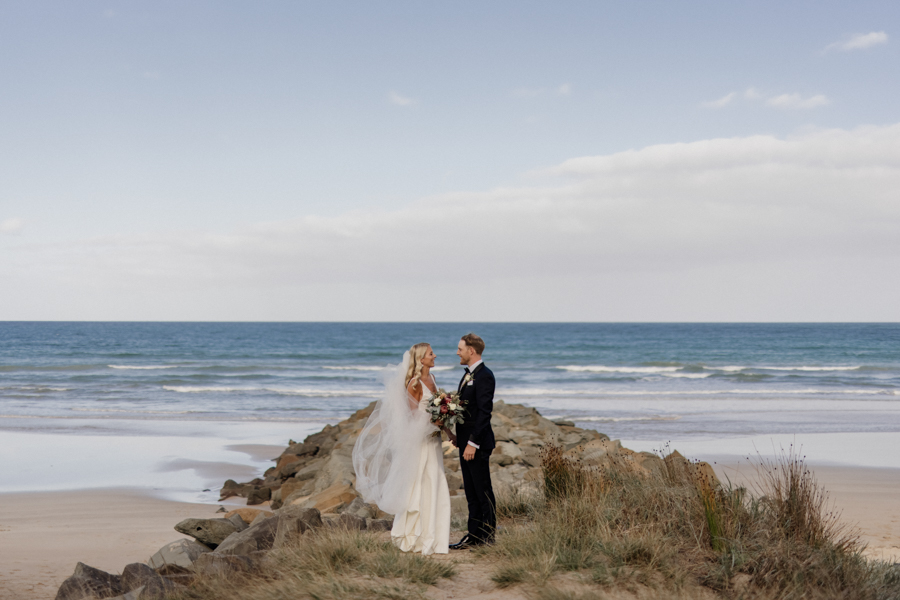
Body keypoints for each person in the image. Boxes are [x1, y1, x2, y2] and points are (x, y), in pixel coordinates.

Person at [352, 343, 451, 555]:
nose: (435, 356)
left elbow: (436, 408)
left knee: (435, 480)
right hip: (420, 441)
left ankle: (434, 538)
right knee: (422, 484)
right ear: (421, 359)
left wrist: (446, 422)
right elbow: (412, 417)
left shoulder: (432, 379)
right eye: (431, 354)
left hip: (433, 440)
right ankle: (416, 536)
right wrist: (436, 421)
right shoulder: (414, 384)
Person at [449, 333, 497, 549]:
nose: (457, 352)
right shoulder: (468, 375)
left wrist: (473, 443)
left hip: (476, 444)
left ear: (472, 351)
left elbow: (484, 413)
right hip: (465, 442)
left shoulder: (485, 375)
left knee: (482, 490)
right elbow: (468, 410)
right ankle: (474, 535)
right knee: (471, 492)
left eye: (460, 349)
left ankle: (487, 537)